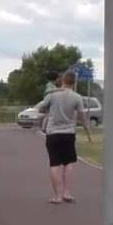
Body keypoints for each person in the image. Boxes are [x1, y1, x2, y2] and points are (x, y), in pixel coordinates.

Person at [36, 71, 88, 204]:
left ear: (62, 80)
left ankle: (57, 196)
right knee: (68, 163)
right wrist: (88, 131)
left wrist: (48, 109)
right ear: (74, 82)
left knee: (54, 163)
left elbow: (40, 108)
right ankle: (67, 192)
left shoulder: (52, 95)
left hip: (53, 133)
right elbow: (82, 118)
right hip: (69, 133)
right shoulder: (77, 97)